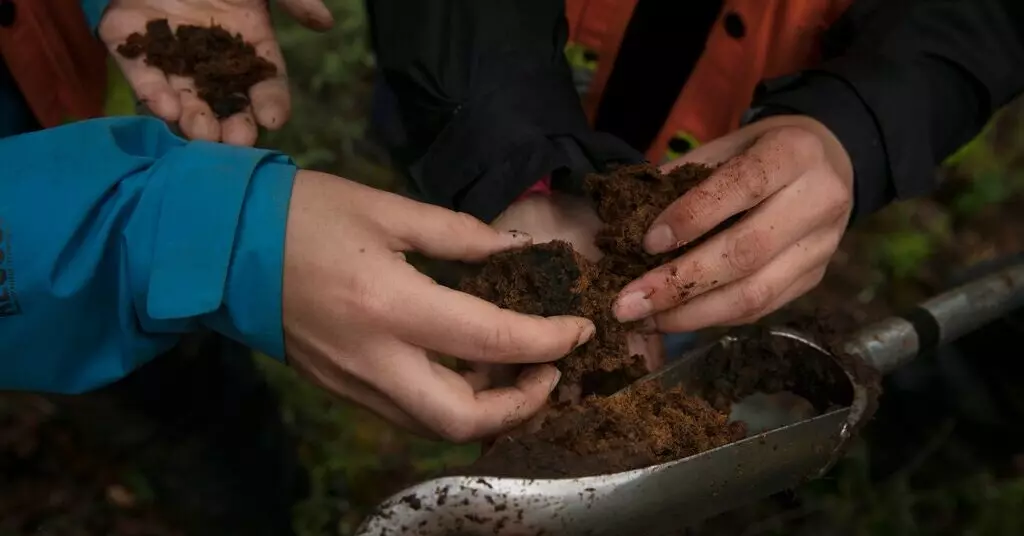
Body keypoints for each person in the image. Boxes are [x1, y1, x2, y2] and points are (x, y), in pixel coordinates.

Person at [365, 0, 1024, 354]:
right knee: (460, 214)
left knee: (674, 293)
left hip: (727, 148)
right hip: (478, 90)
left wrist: (854, 125)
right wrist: (507, 146)